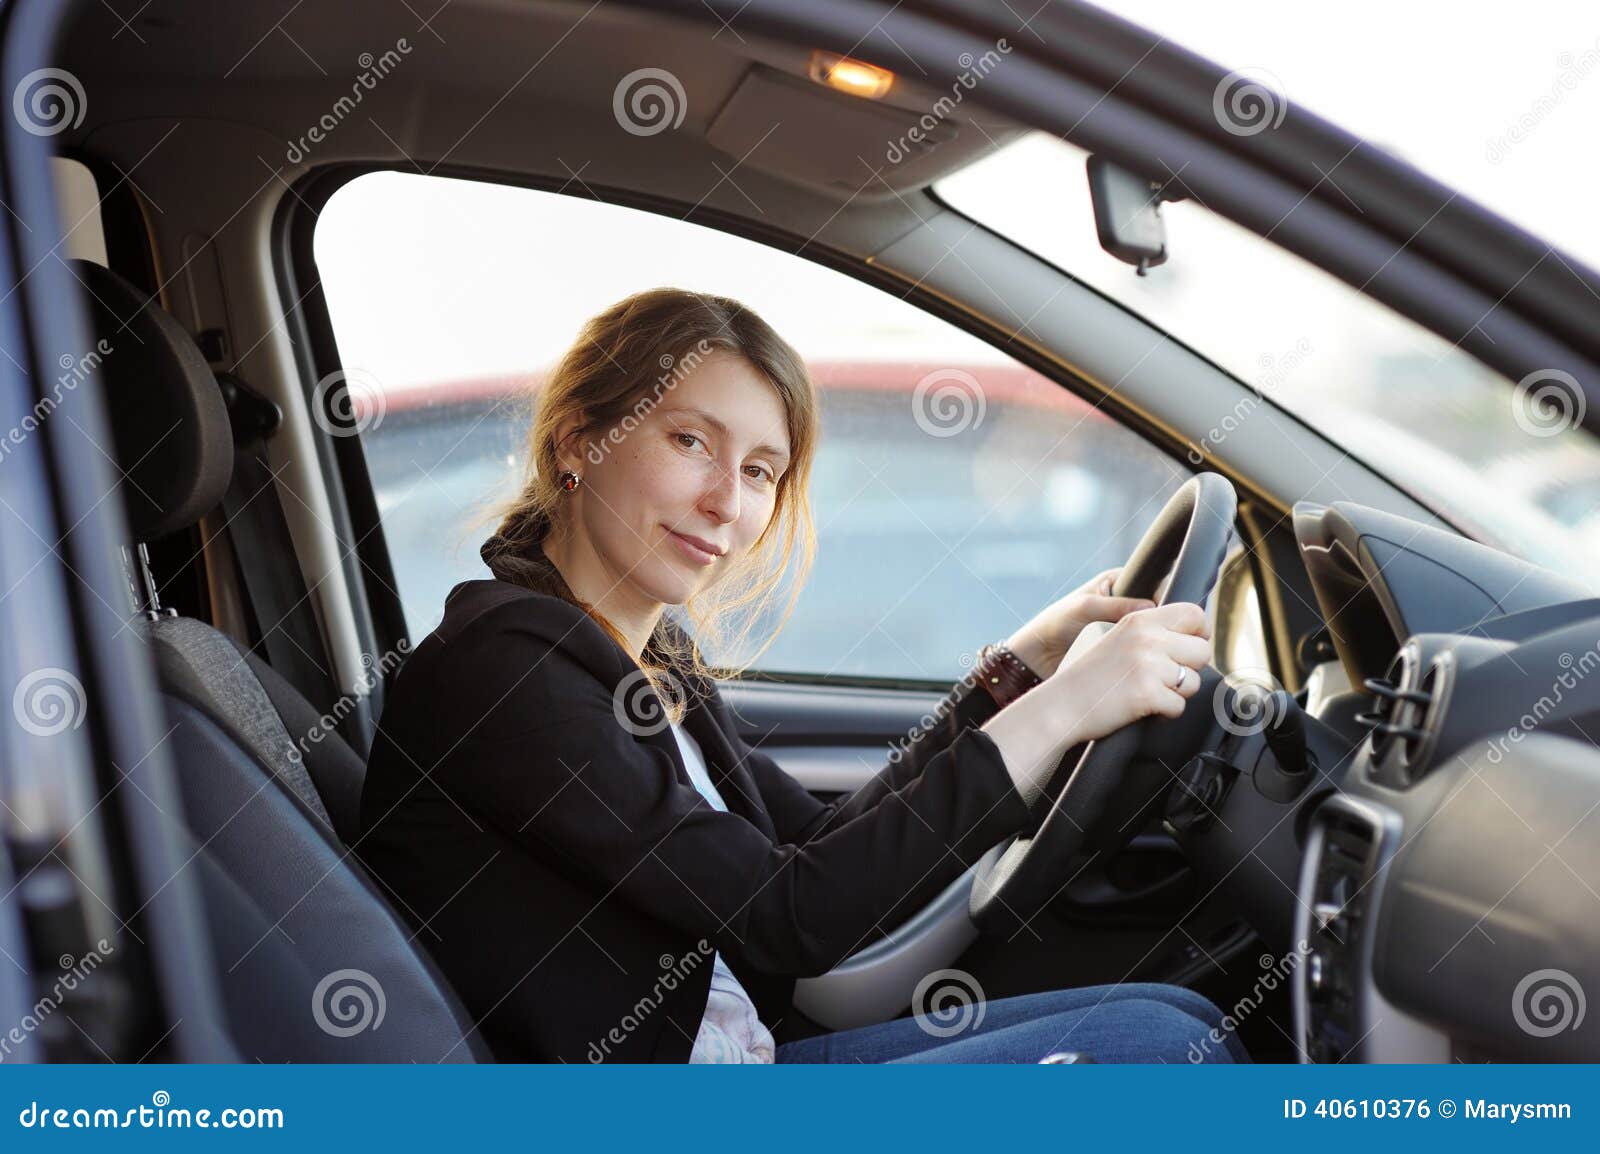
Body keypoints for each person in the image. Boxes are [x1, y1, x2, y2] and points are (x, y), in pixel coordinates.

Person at [359, 288, 1243, 1064]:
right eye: (689, 441)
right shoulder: (507, 676)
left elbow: (816, 844)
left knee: (1172, 1015)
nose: (727, 502)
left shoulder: (647, 660)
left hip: (742, 1060)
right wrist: (1062, 714)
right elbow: (791, 916)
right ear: (578, 441)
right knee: (1168, 1050)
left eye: (758, 472)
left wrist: (1014, 676)